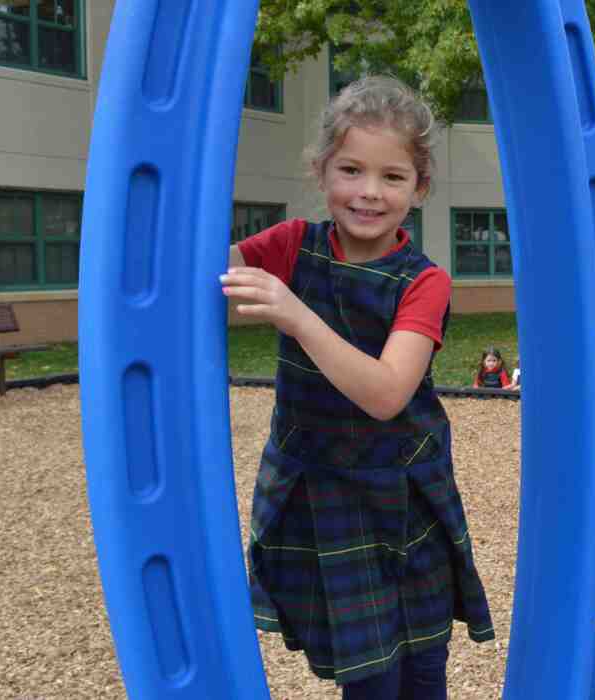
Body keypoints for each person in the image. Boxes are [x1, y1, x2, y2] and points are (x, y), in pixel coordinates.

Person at [221, 75, 493, 698]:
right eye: (351, 170)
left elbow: (387, 393)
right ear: (321, 172)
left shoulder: (422, 281)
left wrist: (296, 315)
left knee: (422, 665)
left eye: (392, 176)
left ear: (419, 188)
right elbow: (206, 269)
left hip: (404, 491)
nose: (369, 192)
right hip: (322, 493)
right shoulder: (293, 245)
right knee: (369, 675)